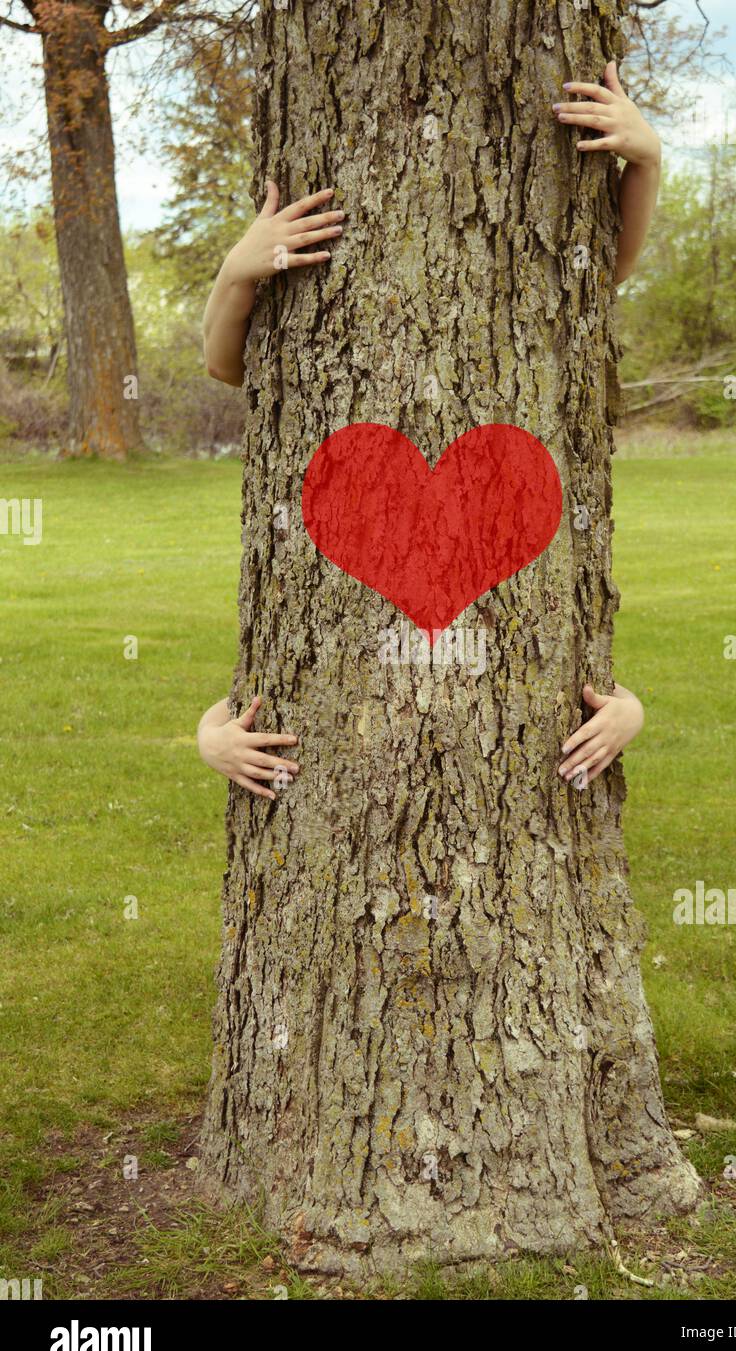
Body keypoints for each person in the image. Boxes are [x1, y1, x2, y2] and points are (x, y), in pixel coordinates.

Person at [197, 59, 657, 798]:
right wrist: (237, 272)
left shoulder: (535, 380)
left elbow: (600, 272)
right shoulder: (325, 426)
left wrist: (648, 160)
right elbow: (226, 363)